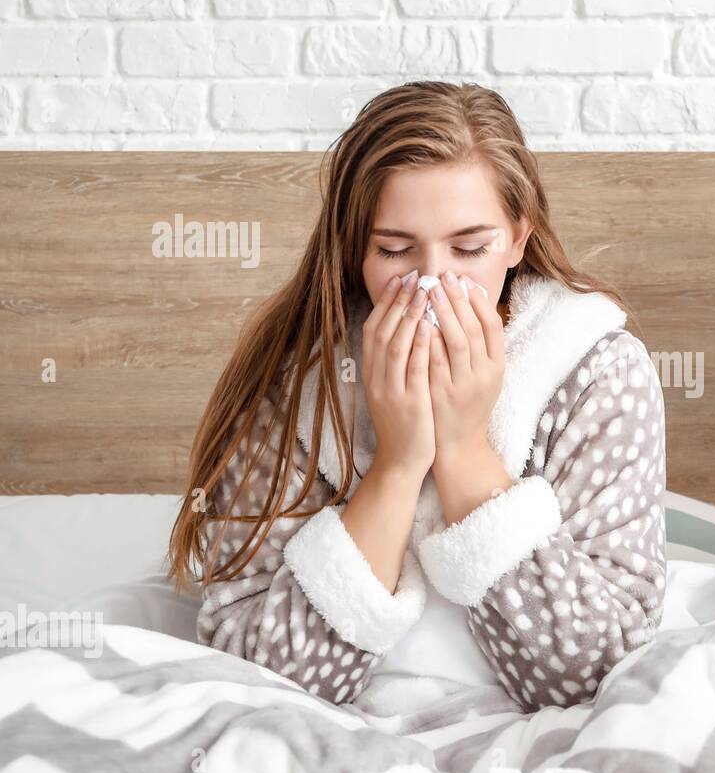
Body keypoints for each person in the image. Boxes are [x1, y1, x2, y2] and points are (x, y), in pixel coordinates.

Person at [166, 80, 667, 714]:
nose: (432, 283)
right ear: (354, 250)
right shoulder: (296, 382)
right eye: (394, 250)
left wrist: (461, 449)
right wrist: (398, 465)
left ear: (518, 237)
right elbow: (262, 678)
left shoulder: (595, 367)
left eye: (469, 248)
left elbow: (590, 675)